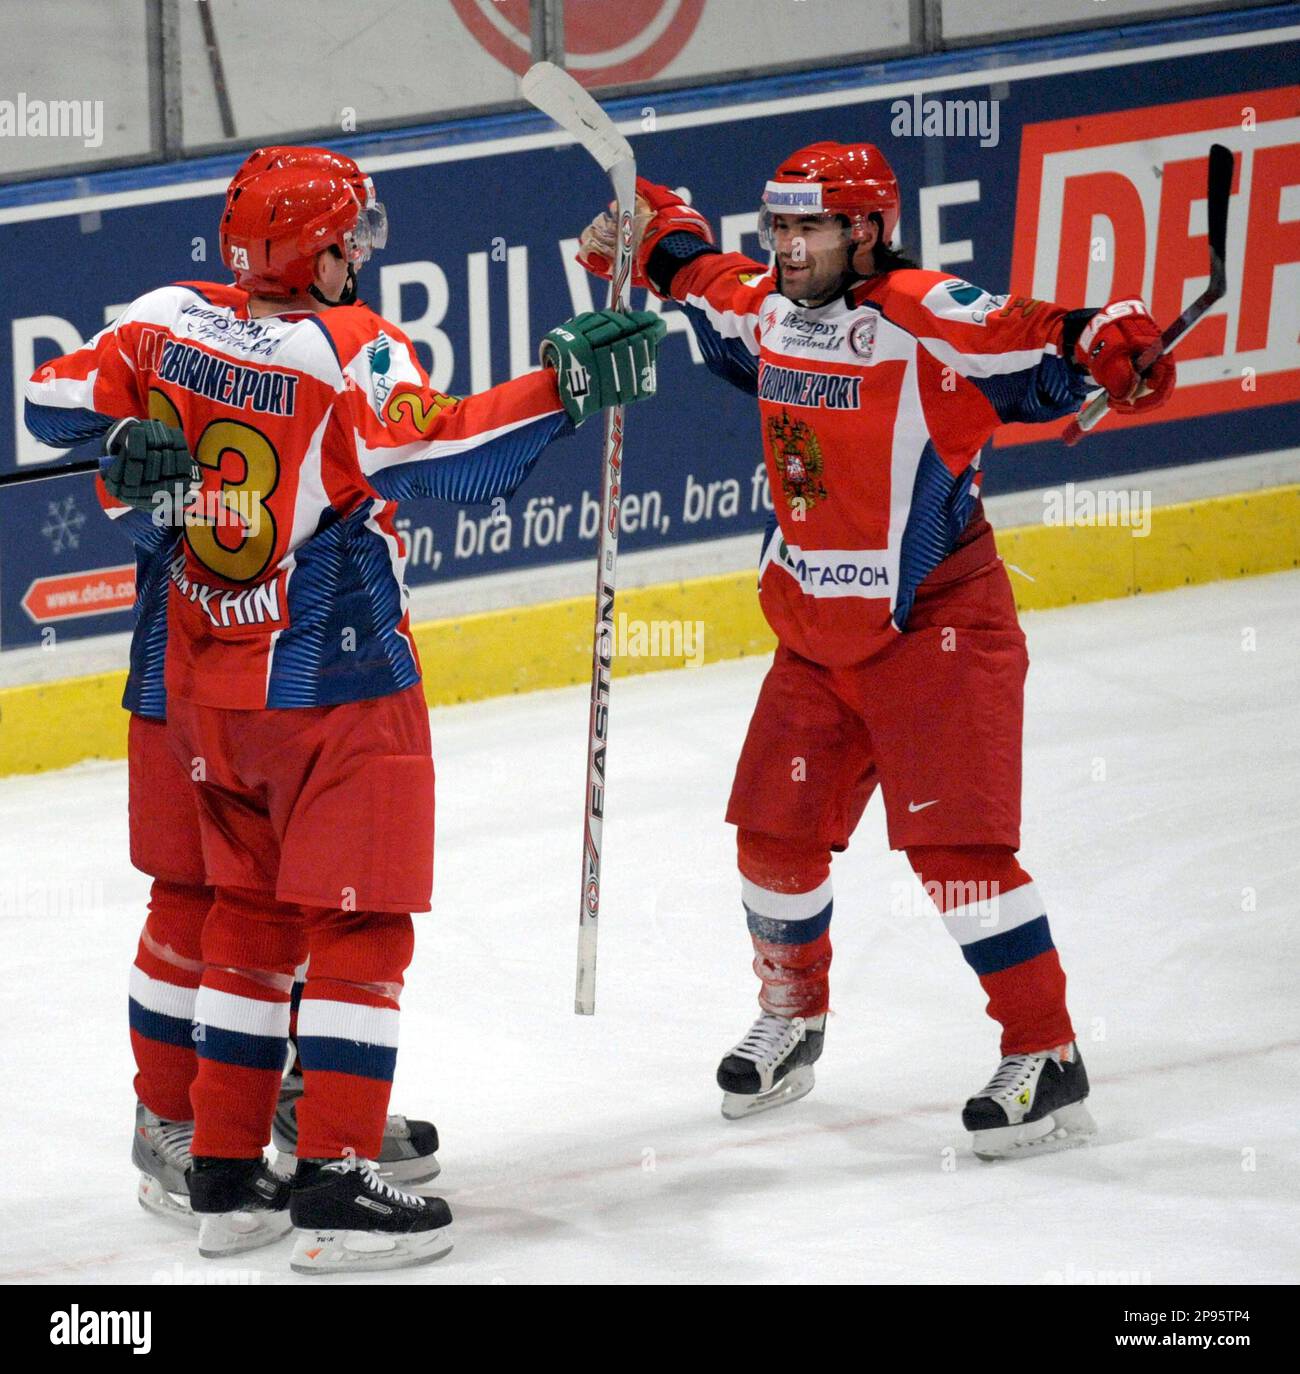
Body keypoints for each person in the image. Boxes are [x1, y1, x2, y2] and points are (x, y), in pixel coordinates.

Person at [26, 145, 663, 1271]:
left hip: (207, 668)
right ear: (311, 251)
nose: (361, 254)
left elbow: (50, 392)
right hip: (318, 676)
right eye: (348, 238)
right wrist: (561, 390)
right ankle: (317, 1169)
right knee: (341, 921)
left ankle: (229, 1167)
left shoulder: (163, 315)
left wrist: (121, 432)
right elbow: (440, 453)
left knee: (243, 917)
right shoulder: (348, 348)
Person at [575, 141, 1174, 1158]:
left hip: (935, 626)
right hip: (813, 634)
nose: (787, 247)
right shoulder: (764, 305)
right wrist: (636, 215)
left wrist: (1108, 339)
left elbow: (1039, 332)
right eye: (778, 227)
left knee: (956, 854)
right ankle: (795, 1017)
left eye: (807, 228)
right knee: (771, 837)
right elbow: (684, 261)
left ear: (864, 230)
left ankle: (1047, 1051)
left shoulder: (926, 312)